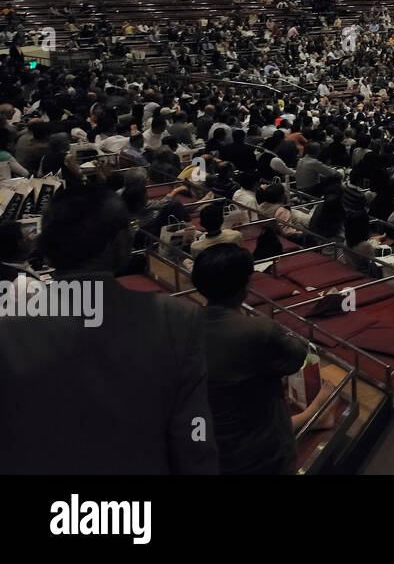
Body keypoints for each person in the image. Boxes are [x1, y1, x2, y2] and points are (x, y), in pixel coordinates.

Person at [0, 184, 219, 473]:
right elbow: (195, 435)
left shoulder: (7, 333)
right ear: (121, 243)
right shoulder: (177, 319)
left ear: (46, 251)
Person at [193, 243, 333, 475]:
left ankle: (313, 414)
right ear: (244, 286)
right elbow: (296, 358)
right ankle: (313, 413)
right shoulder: (258, 330)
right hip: (258, 454)